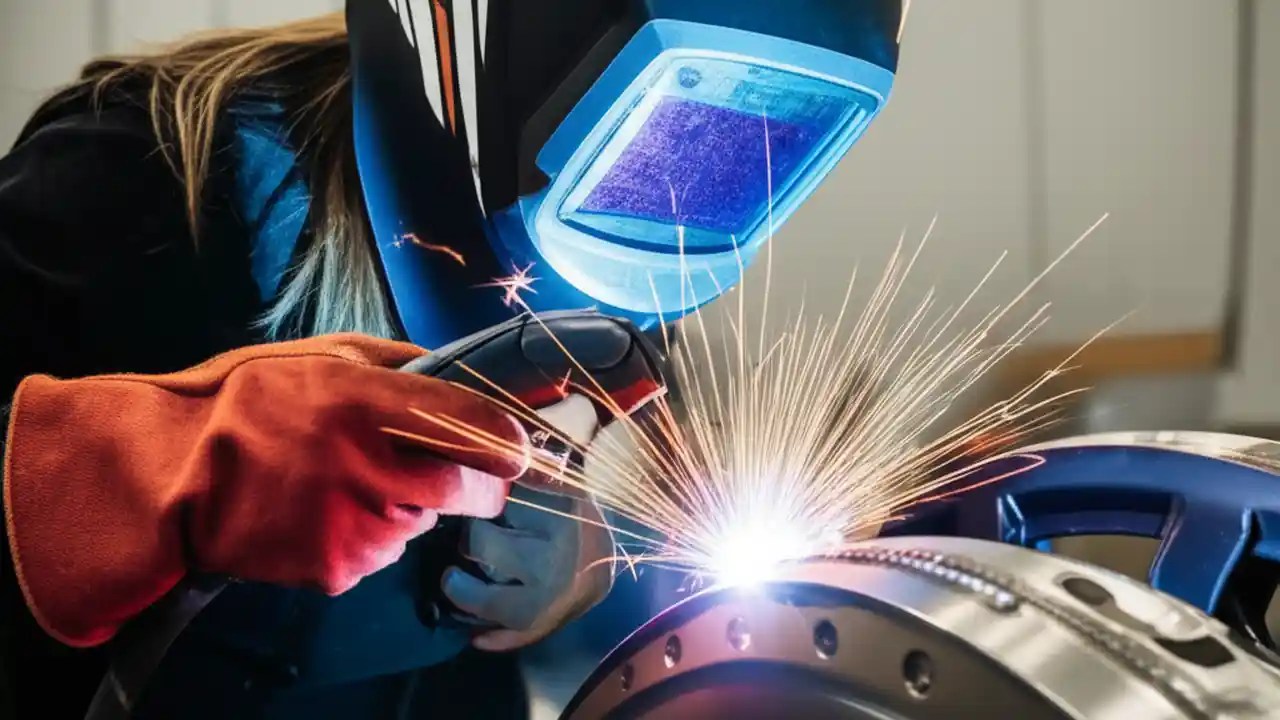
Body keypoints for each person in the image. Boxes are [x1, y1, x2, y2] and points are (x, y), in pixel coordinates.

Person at [0, 0, 904, 717]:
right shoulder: (145, 166)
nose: (683, 192)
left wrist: (594, 565)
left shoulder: (636, 263)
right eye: (672, 137)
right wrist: (162, 463)